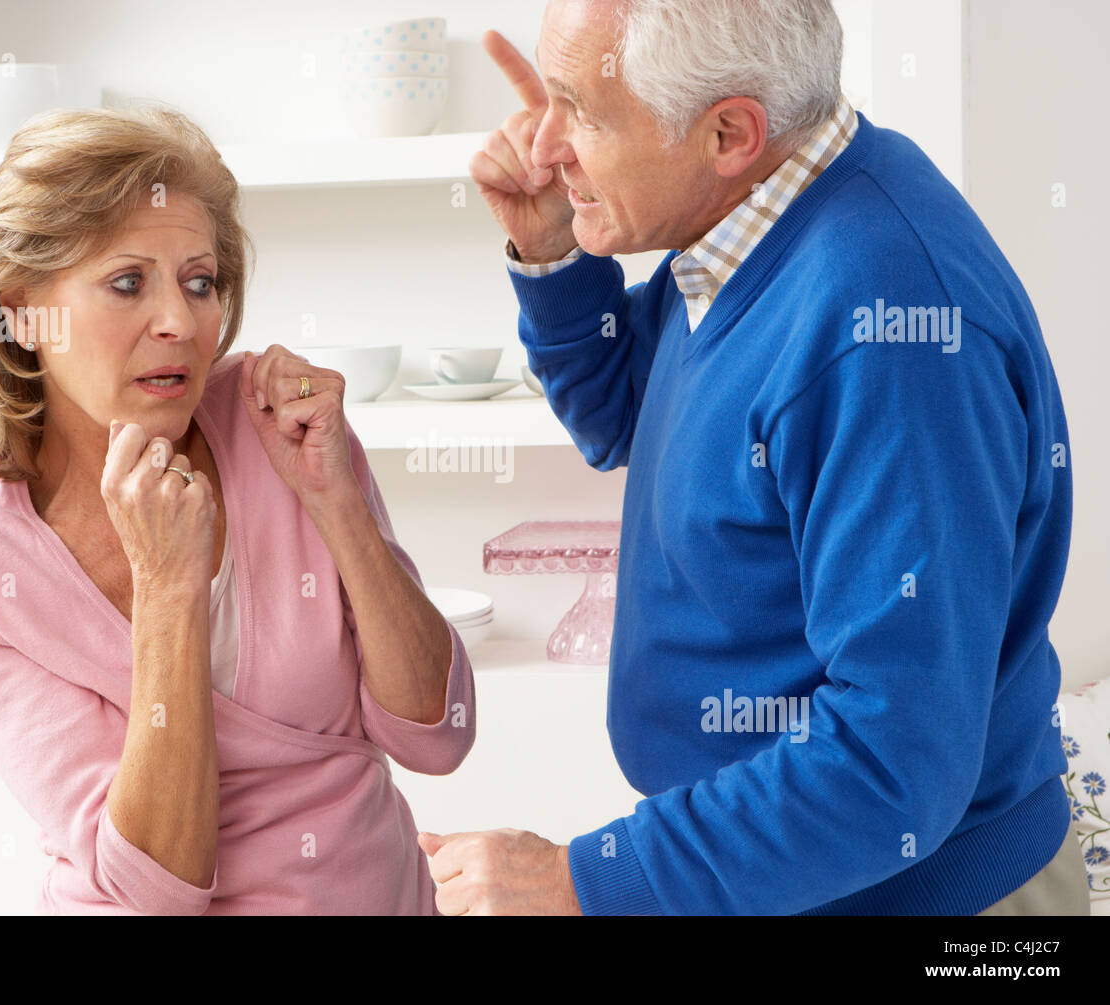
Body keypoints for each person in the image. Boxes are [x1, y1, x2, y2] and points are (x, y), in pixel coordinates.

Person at [419, 0, 1089, 916]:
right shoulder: (757, 222)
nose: (541, 146)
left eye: (579, 111)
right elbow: (627, 416)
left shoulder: (883, 330)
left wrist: (585, 879)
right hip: (796, 876)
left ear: (729, 132)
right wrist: (551, 251)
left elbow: (894, 764)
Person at [0, 102, 475, 915]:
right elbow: (158, 884)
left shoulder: (279, 424)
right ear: (21, 311)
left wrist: (337, 503)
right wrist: (170, 587)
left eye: (200, 283)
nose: (179, 322)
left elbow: (438, 733)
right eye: (128, 282)